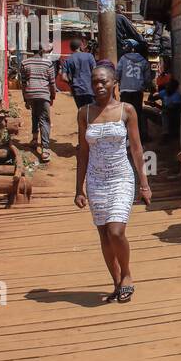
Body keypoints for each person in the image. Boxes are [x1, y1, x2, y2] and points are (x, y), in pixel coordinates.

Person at [75, 65, 151, 302]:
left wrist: (144, 184)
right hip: (96, 180)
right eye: (95, 82)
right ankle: (116, 283)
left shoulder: (126, 110)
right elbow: (83, 152)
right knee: (104, 235)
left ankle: (127, 274)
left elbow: (137, 149)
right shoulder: (84, 113)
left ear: (114, 83)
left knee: (116, 231)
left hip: (121, 177)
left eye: (104, 82)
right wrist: (79, 188)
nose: (99, 86)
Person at [20, 45, 57, 162]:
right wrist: (52, 96)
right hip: (43, 94)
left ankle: (35, 139)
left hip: (30, 93)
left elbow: (23, 83)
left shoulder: (25, 63)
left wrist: (25, 99)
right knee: (44, 120)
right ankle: (45, 150)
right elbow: (52, 82)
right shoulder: (48, 63)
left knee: (35, 115)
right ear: (42, 51)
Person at [116, 42, 152, 142]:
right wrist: (145, 86)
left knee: (124, 114)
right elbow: (147, 79)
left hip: (125, 90)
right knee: (137, 113)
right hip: (137, 91)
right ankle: (138, 136)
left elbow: (117, 73)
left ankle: (125, 136)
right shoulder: (144, 61)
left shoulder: (123, 59)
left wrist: (120, 81)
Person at [62, 37, 96, 108]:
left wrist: (72, 83)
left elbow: (63, 77)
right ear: (80, 46)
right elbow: (95, 71)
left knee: (81, 111)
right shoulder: (89, 56)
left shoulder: (68, 60)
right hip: (89, 89)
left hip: (77, 91)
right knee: (92, 112)